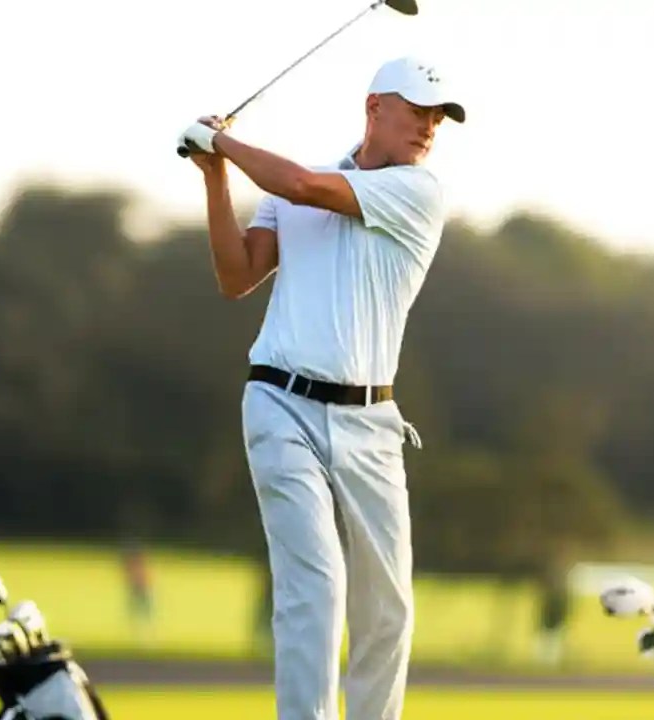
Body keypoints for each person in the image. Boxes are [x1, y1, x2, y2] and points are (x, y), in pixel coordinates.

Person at [178, 56, 465, 720]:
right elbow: (237, 274)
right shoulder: (285, 188)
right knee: (316, 585)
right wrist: (214, 177)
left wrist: (220, 140)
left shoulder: (418, 192)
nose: (428, 127)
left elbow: (308, 185)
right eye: (417, 111)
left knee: (387, 608)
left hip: (372, 423)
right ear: (375, 110)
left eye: (437, 117)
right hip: (280, 406)